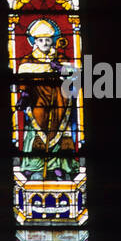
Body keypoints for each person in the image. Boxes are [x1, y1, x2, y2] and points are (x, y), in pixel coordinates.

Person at [17, 18, 77, 179]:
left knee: (57, 132)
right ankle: (33, 164)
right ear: (34, 42)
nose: (44, 43)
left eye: (48, 40)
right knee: (34, 134)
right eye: (40, 40)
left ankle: (56, 164)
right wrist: (24, 94)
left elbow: (75, 75)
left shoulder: (58, 58)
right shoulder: (27, 60)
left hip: (58, 100)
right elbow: (23, 78)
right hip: (37, 101)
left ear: (53, 41)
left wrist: (61, 68)